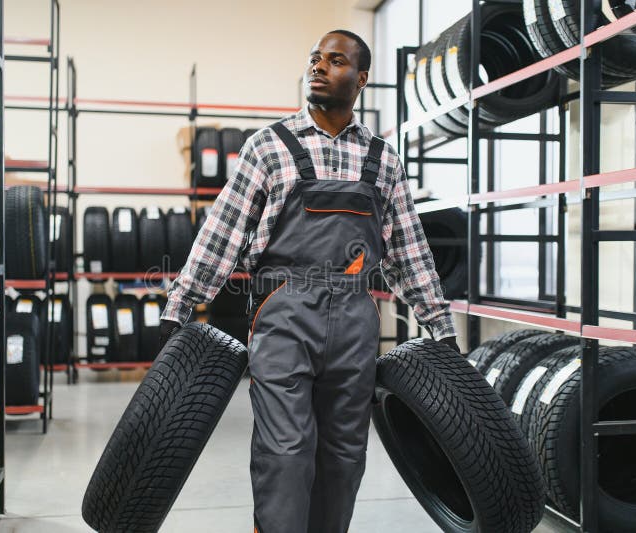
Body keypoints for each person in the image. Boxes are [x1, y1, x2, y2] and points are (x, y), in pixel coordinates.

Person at [159, 29, 458, 533]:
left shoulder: (384, 160)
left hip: (355, 318)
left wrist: (439, 324)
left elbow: (409, 251)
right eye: (315, 58)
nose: (318, 66)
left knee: (344, 456)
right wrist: (180, 306)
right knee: (286, 451)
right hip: (283, 314)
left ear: (361, 79)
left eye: (335, 60)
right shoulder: (269, 148)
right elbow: (222, 233)